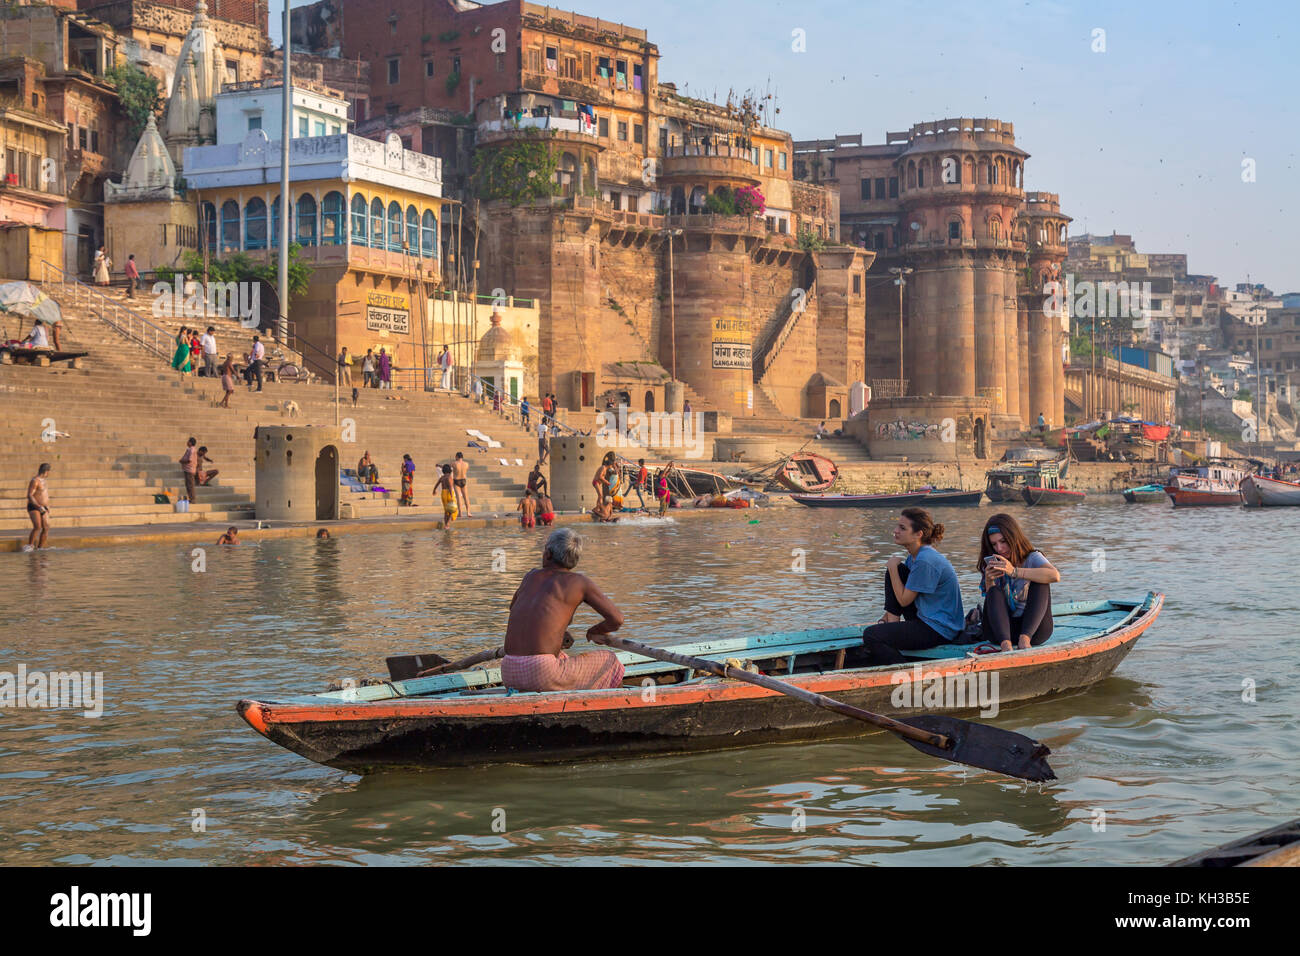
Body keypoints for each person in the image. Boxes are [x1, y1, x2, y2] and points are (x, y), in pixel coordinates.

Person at [500, 528, 625, 691]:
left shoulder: (530, 576)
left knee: (562, 657)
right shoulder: (580, 582)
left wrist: (556, 632)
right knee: (611, 661)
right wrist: (594, 631)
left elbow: (516, 610)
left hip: (509, 671)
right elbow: (616, 619)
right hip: (541, 674)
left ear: (549, 554)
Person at [860, 508, 964, 665]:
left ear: (918, 534)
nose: (895, 531)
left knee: (871, 635)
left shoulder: (925, 560)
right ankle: (891, 623)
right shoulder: (915, 557)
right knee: (898, 572)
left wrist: (892, 567)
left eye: (902, 528)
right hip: (924, 617)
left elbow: (904, 601)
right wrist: (885, 618)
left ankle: (903, 670)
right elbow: (901, 596)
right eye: (897, 526)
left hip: (939, 629)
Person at [977, 514, 1060, 652]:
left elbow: (1055, 575)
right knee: (994, 591)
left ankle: (1024, 640)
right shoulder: (994, 562)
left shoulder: (1032, 557)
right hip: (1001, 632)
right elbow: (992, 604)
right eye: (994, 544)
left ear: (1013, 537)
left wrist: (1014, 571)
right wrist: (989, 581)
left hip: (1034, 631)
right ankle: (1006, 647)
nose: (999, 548)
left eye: (1003, 541)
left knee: (1041, 581)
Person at [24, 462, 51, 551]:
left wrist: (47, 506)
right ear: (46, 471)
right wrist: (38, 506)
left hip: (44, 507)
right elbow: (30, 495)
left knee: (46, 527)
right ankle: (30, 546)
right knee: (37, 527)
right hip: (34, 506)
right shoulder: (35, 481)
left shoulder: (44, 481)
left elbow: (43, 494)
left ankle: (40, 548)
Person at [452, 451, 473, 517]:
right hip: (463, 480)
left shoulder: (454, 463)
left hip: (456, 480)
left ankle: (460, 513)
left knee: (459, 498)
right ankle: (468, 512)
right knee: (466, 497)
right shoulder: (466, 464)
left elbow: (446, 468)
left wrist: (438, 465)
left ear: (457, 457)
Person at [179, 437, 199, 501]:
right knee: (188, 485)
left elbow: (189, 460)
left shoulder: (192, 450)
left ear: (190, 442)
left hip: (189, 470)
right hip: (188, 469)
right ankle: (191, 498)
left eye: (188, 441)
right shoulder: (190, 449)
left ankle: (192, 499)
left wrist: (182, 461)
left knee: (190, 485)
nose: (187, 442)